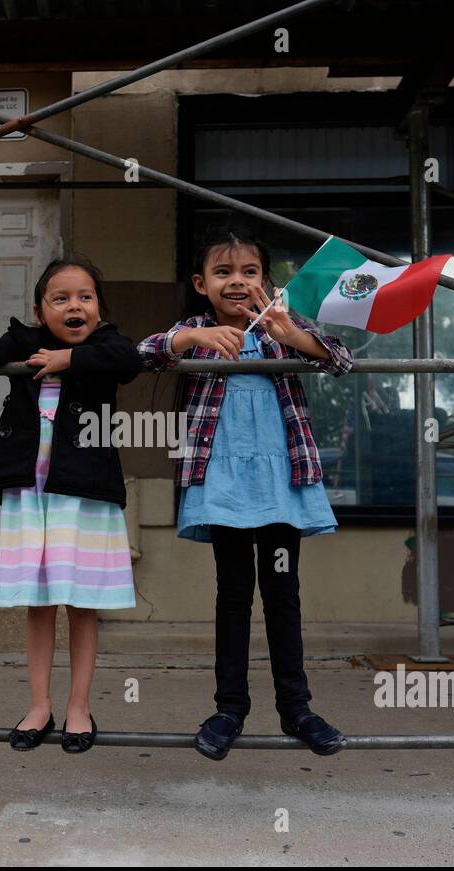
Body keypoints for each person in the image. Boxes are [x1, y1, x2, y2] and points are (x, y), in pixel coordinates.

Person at [138, 224, 353, 760]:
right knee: (233, 596)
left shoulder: (281, 327)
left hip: (281, 486)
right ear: (200, 283)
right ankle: (229, 708)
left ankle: (296, 708)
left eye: (249, 272)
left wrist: (290, 334)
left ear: (266, 281)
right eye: (223, 272)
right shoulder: (195, 328)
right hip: (224, 488)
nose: (237, 281)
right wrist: (192, 339)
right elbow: (144, 354)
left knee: (283, 594)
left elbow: (339, 359)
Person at [0, 256, 140, 754]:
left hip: (83, 496)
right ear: (40, 311)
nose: (73, 306)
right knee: (38, 606)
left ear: (99, 310)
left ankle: (79, 706)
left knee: (82, 605)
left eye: (84, 297)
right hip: (29, 496)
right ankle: (40, 705)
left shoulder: (108, 346)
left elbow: (129, 361)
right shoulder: (23, 343)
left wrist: (68, 361)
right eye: (59, 299)